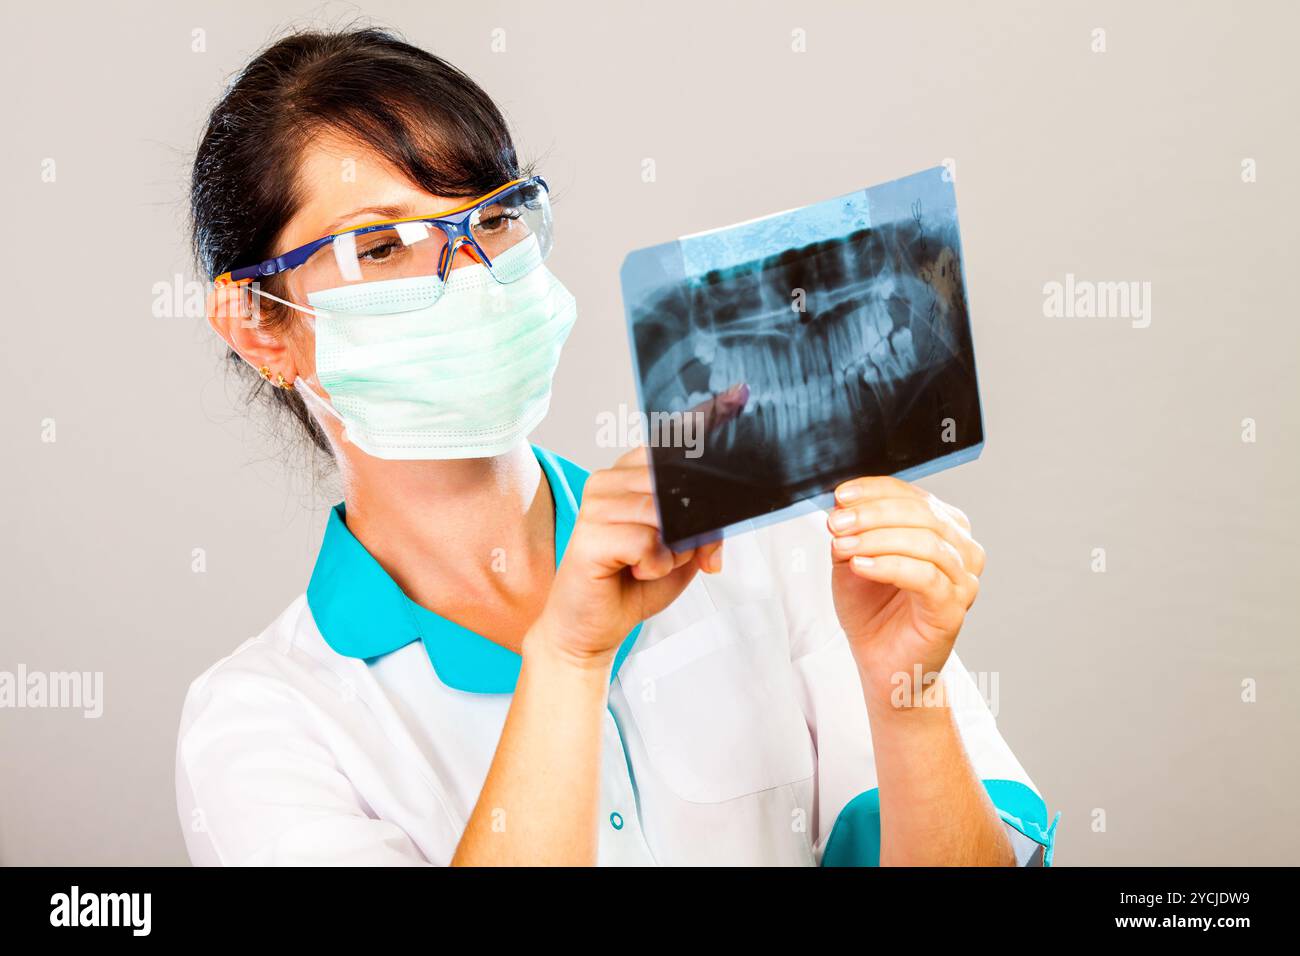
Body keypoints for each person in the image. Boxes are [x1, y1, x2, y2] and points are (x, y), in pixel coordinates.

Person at [176, 27, 1055, 866]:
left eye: (494, 218)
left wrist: (910, 697)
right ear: (259, 327)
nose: (475, 274)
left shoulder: (766, 541)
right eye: (382, 243)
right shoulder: (263, 721)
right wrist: (567, 658)